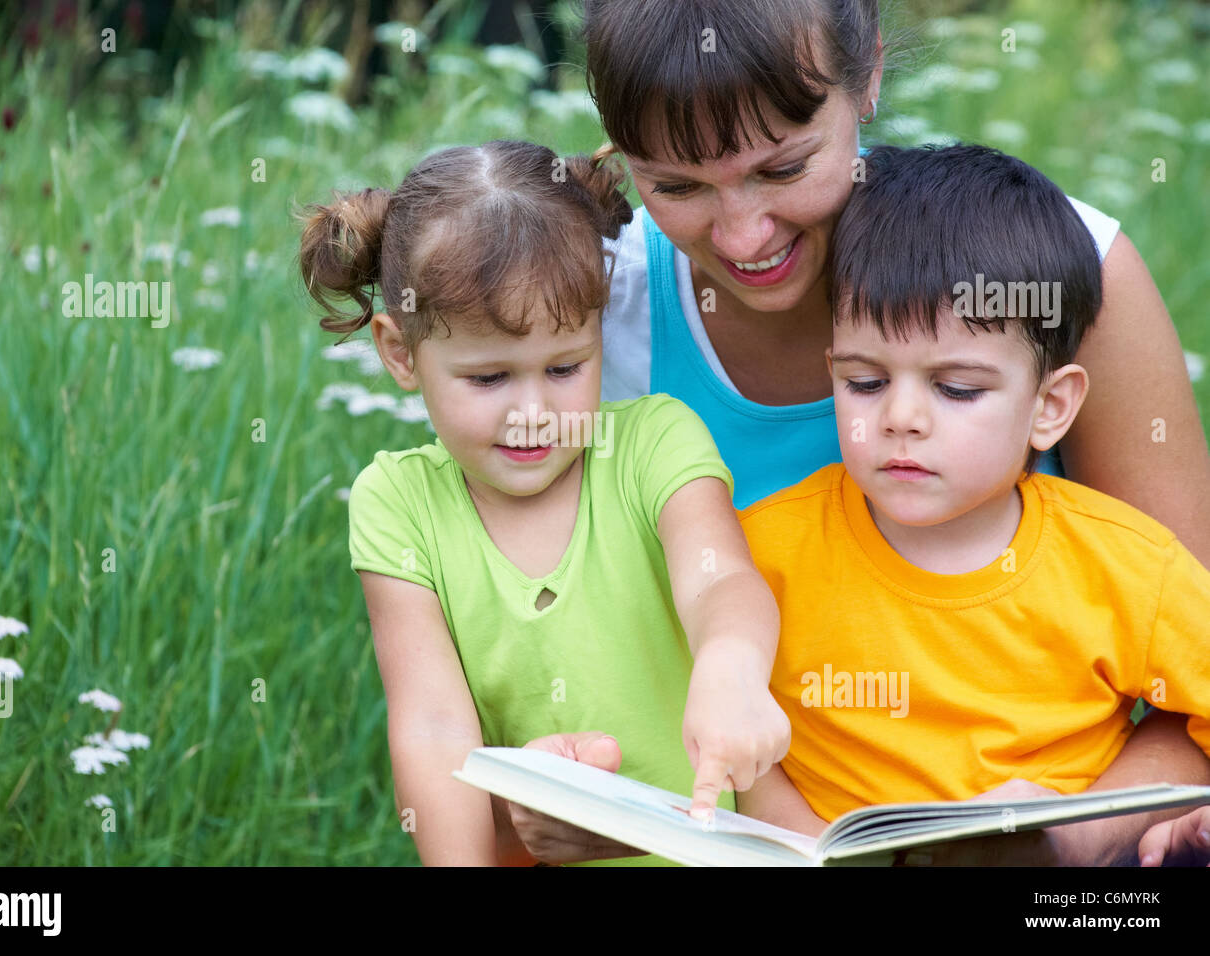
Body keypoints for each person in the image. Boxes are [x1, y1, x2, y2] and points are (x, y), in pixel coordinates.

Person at [504, 0, 1210, 866]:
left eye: (785, 166)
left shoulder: (1055, 271)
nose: (743, 234)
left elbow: (1184, 697)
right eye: (676, 186)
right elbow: (536, 666)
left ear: (868, 71)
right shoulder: (583, 316)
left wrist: (1074, 835)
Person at [301, 140, 790, 866]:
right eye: (490, 378)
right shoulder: (398, 504)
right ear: (400, 352)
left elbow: (718, 578)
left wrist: (732, 661)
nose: (533, 411)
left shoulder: (654, 443)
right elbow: (433, 728)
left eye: (565, 367)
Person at [732, 144, 1210, 865]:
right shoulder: (759, 553)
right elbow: (717, 727)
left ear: (1051, 407)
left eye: (956, 389)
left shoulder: (1127, 566)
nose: (900, 417)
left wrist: (1108, 824)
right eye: (865, 382)